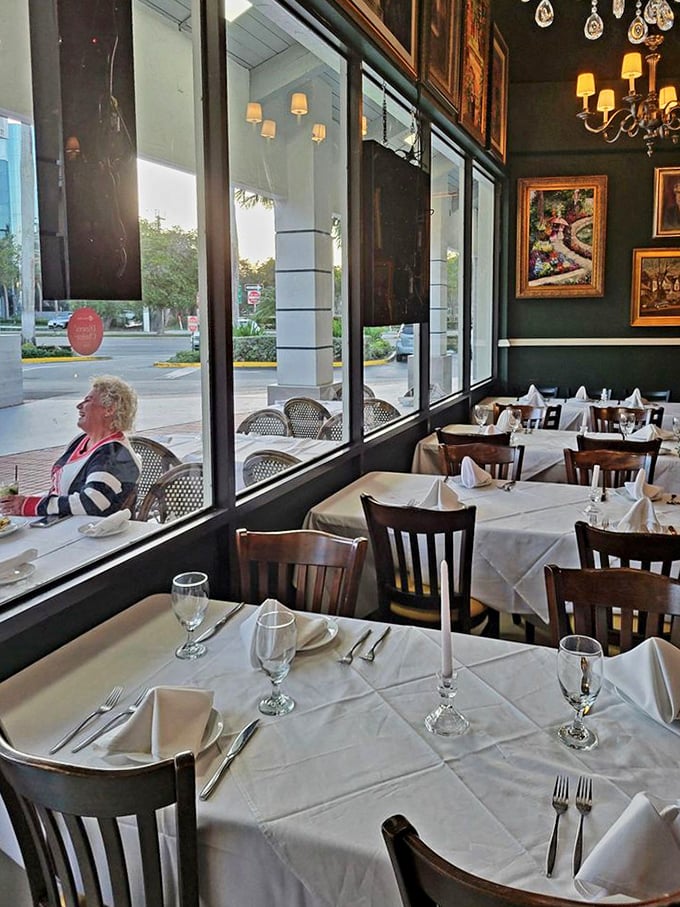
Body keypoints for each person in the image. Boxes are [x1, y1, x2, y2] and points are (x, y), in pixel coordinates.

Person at [0, 376, 141, 518]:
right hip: (66, 524)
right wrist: (25, 502)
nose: (79, 405)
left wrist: (29, 505)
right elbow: (61, 493)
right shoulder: (81, 440)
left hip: (95, 534)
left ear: (109, 410)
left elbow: (91, 503)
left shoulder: (114, 454)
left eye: (88, 400)